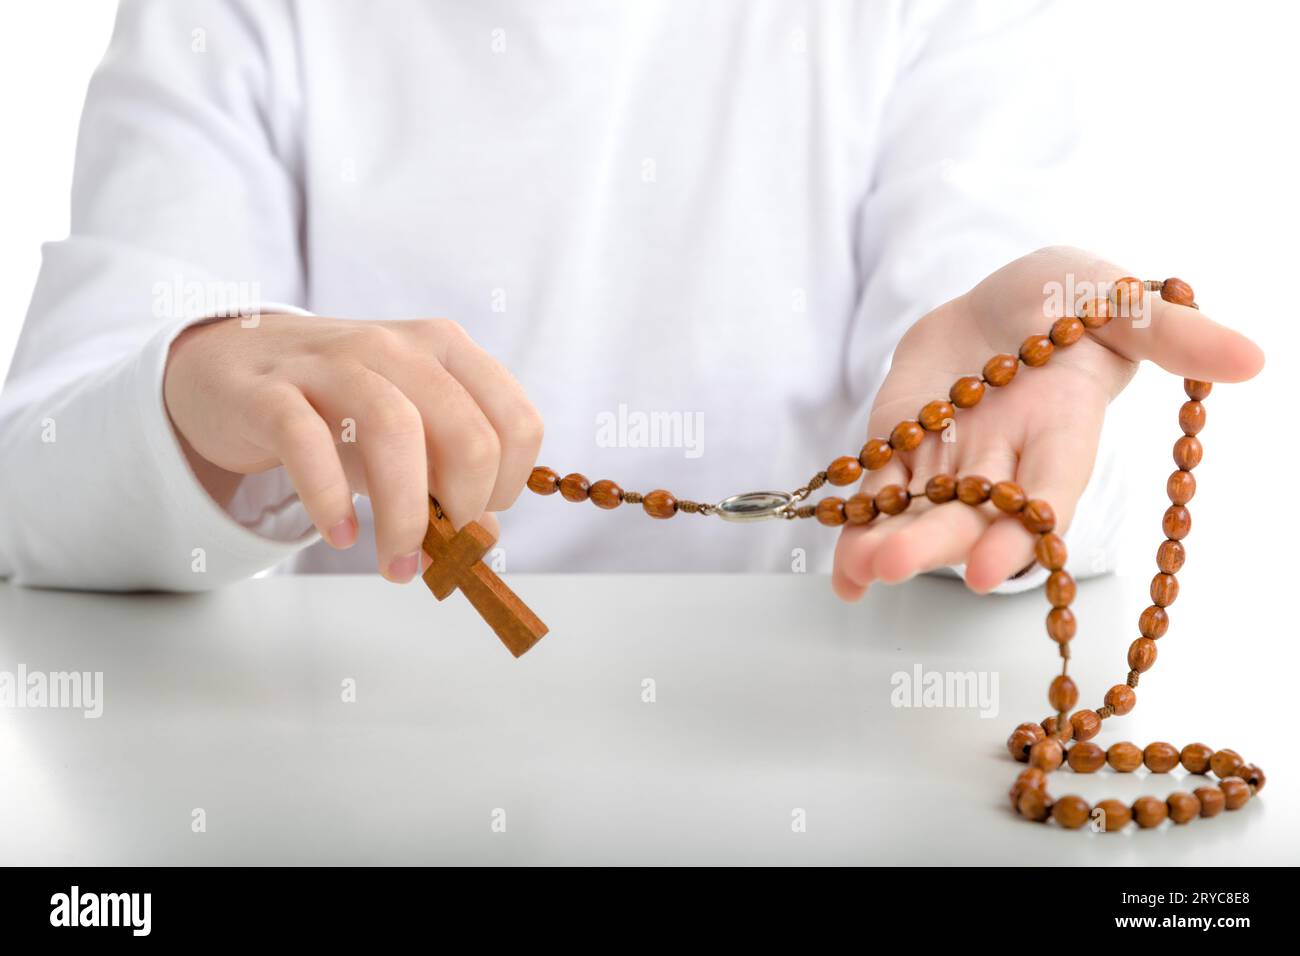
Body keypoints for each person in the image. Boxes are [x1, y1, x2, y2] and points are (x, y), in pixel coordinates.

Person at [0, 0, 1263, 600]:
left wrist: (1027, 407)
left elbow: (1006, 407)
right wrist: (186, 390)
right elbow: (36, 482)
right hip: (353, 791)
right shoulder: (225, 20)